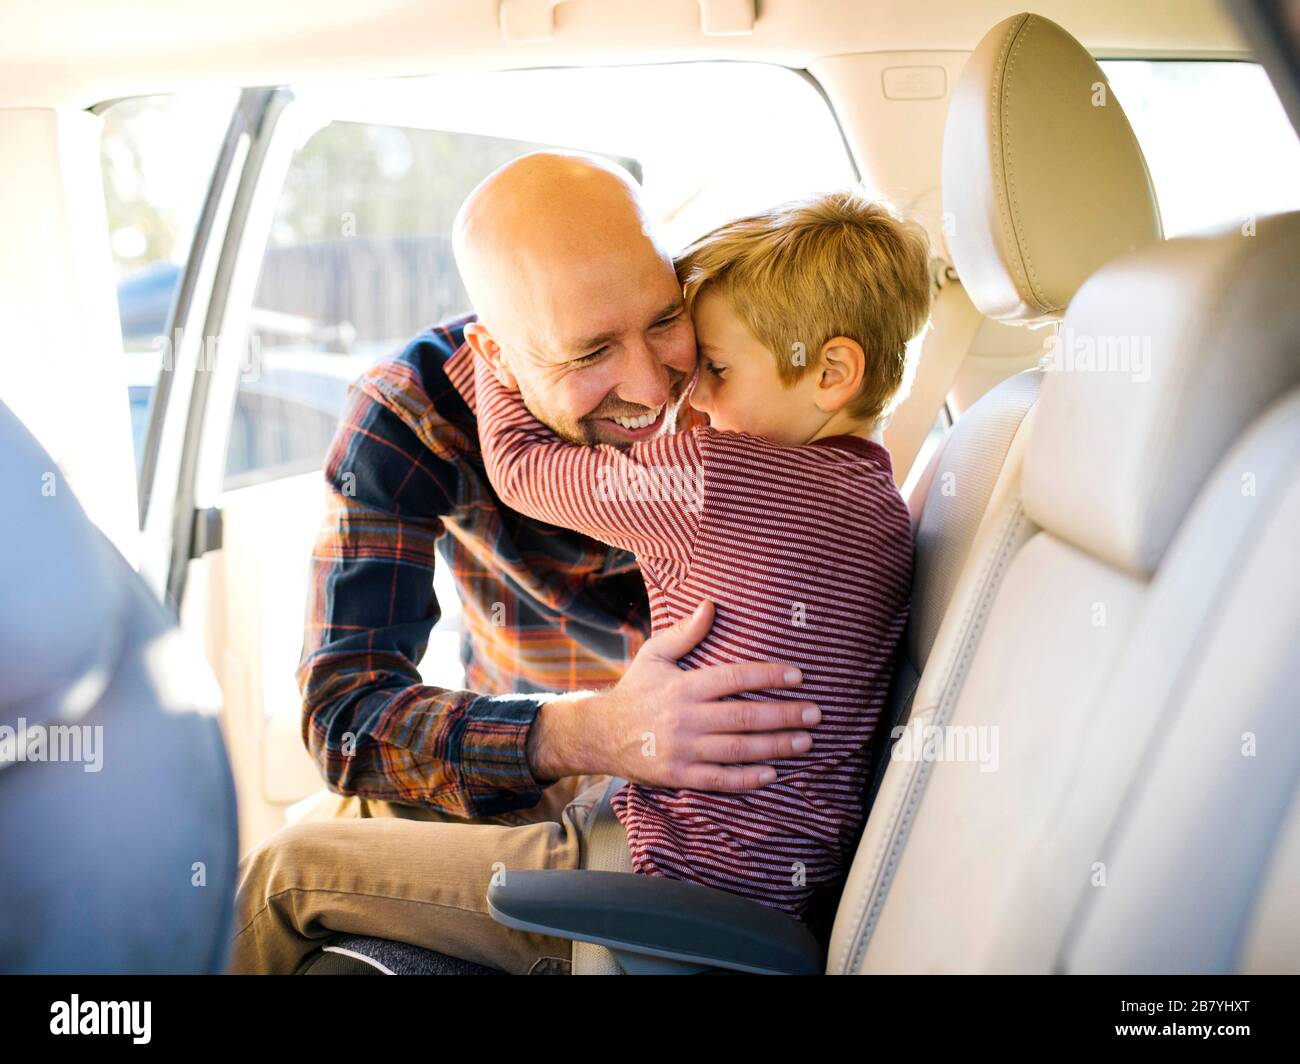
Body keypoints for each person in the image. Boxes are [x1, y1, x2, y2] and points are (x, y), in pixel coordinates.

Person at [227, 153, 819, 975]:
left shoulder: (740, 374)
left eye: (662, 320)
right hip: (530, 749)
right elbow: (344, 713)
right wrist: (594, 732)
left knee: (278, 883)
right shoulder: (411, 414)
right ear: (497, 361)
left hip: (686, 798)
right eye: (589, 355)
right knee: (329, 815)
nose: (653, 388)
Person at [460, 190, 930, 918]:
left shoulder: (723, 476)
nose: (690, 401)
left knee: (289, 875)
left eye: (717, 369)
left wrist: (498, 359)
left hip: (675, 874)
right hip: (775, 879)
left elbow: (522, 468)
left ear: (832, 372)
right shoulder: (873, 498)